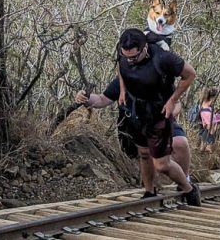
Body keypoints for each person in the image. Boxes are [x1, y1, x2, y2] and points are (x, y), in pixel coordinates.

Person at [77, 27, 201, 205]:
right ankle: (149, 191)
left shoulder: (163, 58)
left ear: (144, 49)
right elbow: (112, 84)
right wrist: (93, 97)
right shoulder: (124, 56)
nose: (130, 61)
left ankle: (189, 189)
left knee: (162, 164)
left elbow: (190, 74)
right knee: (143, 153)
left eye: (134, 57)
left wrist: (173, 100)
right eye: (126, 56)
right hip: (137, 115)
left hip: (158, 113)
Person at [88, 75, 192, 190]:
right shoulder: (123, 80)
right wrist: (86, 97)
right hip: (132, 128)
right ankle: (150, 188)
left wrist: (168, 115)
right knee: (145, 156)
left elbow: (176, 103)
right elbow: (102, 99)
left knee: (180, 143)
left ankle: (185, 181)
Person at [197, 88, 220, 152]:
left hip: (204, 113)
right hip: (207, 115)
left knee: (207, 129)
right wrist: (216, 124)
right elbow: (212, 129)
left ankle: (203, 147)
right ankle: (206, 148)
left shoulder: (204, 100)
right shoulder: (210, 101)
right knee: (211, 131)